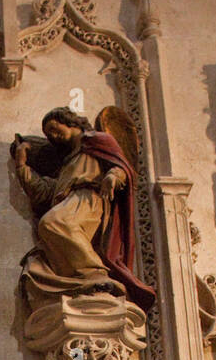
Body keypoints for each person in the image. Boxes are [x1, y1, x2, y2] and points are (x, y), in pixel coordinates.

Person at [12, 107, 155, 312]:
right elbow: (43, 192)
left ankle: (96, 274)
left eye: (54, 128)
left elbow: (122, 165)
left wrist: (113, 177)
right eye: (48, 134)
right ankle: (83, 282)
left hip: (90, 198)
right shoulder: (67, 163)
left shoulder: (97, 140)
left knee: (53, 223)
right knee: (40, 253)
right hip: (70, 202)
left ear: (70, 121)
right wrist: (21, 165)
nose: (53, 135)